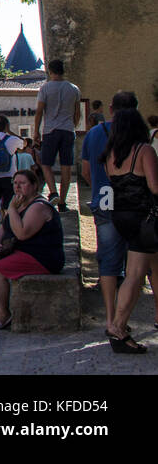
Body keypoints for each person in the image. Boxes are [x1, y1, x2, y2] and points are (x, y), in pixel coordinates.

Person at [0, 167, 65, 329]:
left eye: (22, 183)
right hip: (20, 250)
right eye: (15, 183)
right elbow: (3, 226)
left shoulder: (38, 206)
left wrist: (12, 209)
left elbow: (22, 233)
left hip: (41, 256)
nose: (17, 187)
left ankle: (4, 313)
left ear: (34, 185)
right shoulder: (18, 202)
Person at [80, 91, 140, 336]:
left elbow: (85, 171)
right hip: (132, 205)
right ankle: (124, 319)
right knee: (135, 264)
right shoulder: (136, 133)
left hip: (103, 202)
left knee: (107, 261)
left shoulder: (94, 133)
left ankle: (110, 316)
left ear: (111, 109)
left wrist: (99, 187)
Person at [103, 108, 158, 353]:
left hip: (121, 216)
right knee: (135, 274)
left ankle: (119, 327)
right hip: (144, 216)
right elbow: (154, 187)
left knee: (138, 271)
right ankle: (118, 327)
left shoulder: (109, 155)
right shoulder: (144, 150)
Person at [33, 58, 81, 212]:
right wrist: (72, 125)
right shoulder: (74, 89)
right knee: (66, 166)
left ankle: (53, 192)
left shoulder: (45, 89)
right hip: (67, 130)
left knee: (46, 163)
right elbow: (77, 112)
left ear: (50, 72)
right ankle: (63, 201)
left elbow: (40, 111)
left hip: (50, 130)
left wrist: (36, 131)